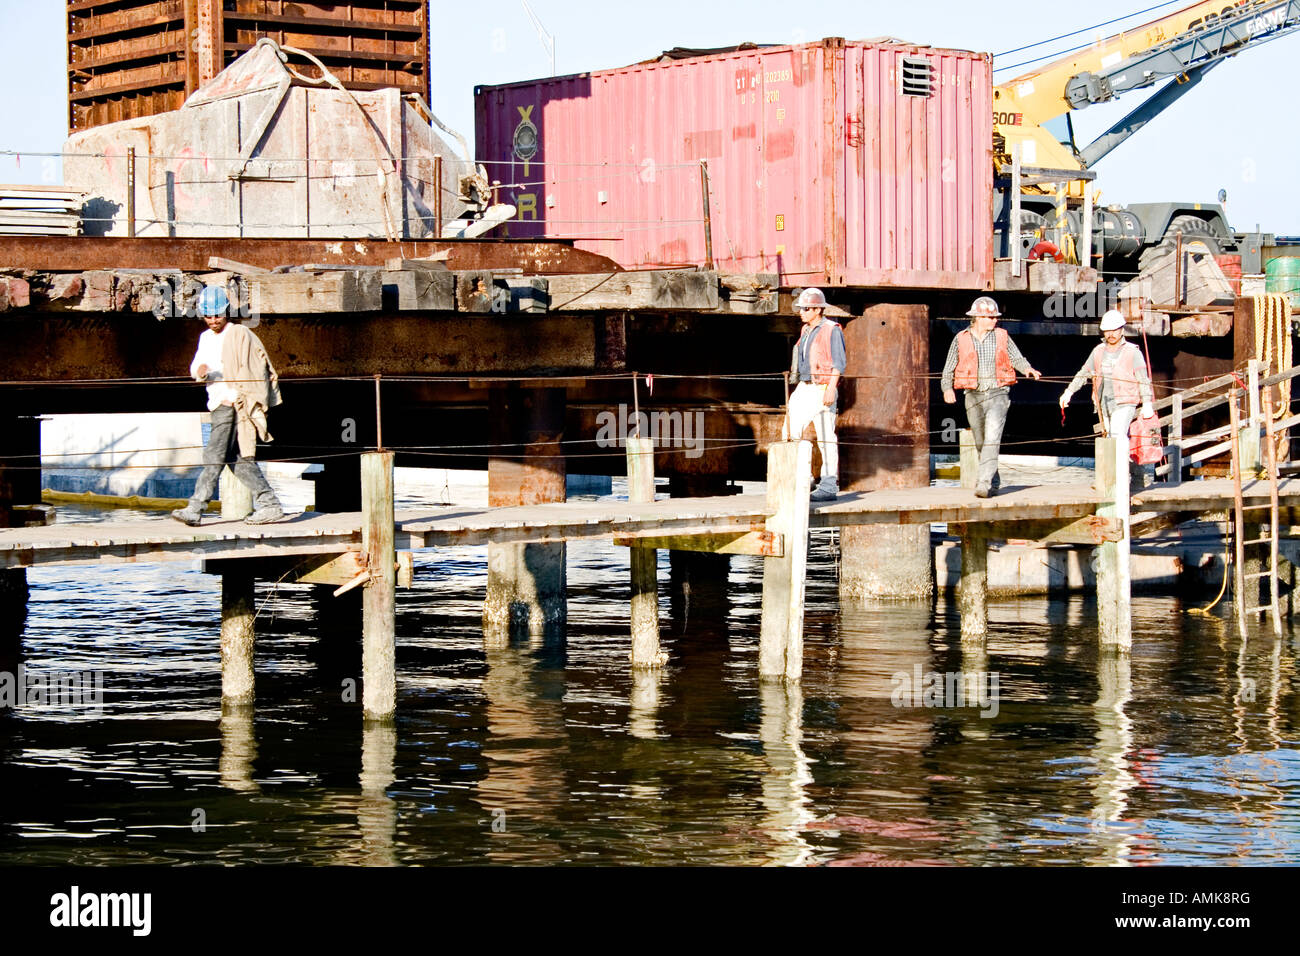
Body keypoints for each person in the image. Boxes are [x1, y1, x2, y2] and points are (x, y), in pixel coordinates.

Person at [171, 286, 286, 526]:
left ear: (226, 312)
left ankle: (195, 508)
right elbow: (196, 367)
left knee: (214, 455)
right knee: (238, 461)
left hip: (231, 403)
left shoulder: (239, 334)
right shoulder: (205, 338)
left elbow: (252, 369)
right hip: (216, 401)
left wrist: (233, 396)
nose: (213, 320)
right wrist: (199, 371)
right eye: (208, 316)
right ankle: (270, 504)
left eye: (217, 315)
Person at [941, 296, 1042, 498]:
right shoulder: (961, 338)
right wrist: (947, 388)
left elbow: (1016, 357)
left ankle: (983, 483)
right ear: (978, 317)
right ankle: (993, 482)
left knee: (992, 439)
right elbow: (949, 367)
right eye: (990, 317)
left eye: (995, 317)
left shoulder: (1002, 336)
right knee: (980, 441)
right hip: (972, 394)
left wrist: (1027, 369)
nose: (995, 320)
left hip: (998, 393)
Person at [1058, 309, 1154, 487]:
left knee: (1117, 436)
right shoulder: (1098, 351)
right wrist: (1069, 392)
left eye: (1114, 330)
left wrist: (1147, 403)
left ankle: (1120, 482)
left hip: (1125, 401)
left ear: (1122, 330)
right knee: (1112, 439)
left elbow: (1143, 379)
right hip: (1104, 403)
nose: (1111, 334)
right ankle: (1130, 479)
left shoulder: (1133, 353)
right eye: (1107, 331)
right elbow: (1084, 373)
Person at [783, 287, 846, 501]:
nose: (802, 312)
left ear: (818, 309)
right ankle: (805, 477)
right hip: (805, 385)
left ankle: (828, 487)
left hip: (822, 386)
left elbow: (839, 362)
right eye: (801, 308)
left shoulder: (832, 329)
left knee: (826, 438)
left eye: (806, 308)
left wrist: (831, 388)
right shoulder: (806, 330)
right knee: (790, 432)